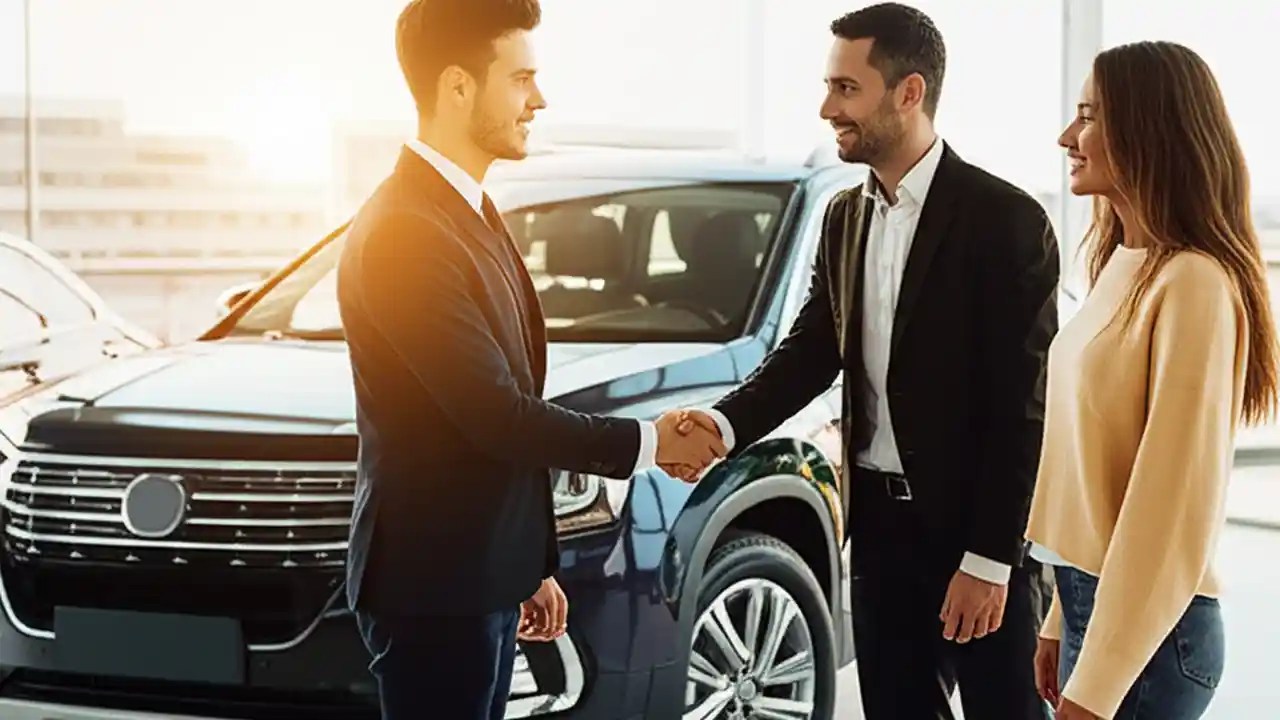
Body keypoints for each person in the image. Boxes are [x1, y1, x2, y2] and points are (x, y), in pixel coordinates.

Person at [664, 3, 1059, 717]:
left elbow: (1021, 406)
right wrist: (721, 428)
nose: (826, 108)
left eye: (846, 89)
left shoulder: (1007, 221)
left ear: (909, 93)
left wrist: (990, 559)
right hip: (879, 539)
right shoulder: (843, 217)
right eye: (828, 86)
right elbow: (811, 354)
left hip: (976, 541)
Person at [335, 2, 724, 718]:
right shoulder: (406, 233)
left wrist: (528, 566)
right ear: (457, 88)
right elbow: (494, 414)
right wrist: (649, 442)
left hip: (474, 578)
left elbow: (492, 417)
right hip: (433, 587)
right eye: (521, 79)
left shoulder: (466, 211)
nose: (538, 100)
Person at [1026, 40, 1279, 720]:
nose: (1067, 137)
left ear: (1148, 129)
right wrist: (1058, 618)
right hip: (1096, 607)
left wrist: (1098, 685)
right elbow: (1096, 479)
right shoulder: (1123, 265)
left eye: (1089, 116)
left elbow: (1166, 515)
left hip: (1150, 638)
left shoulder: (1193, 283)